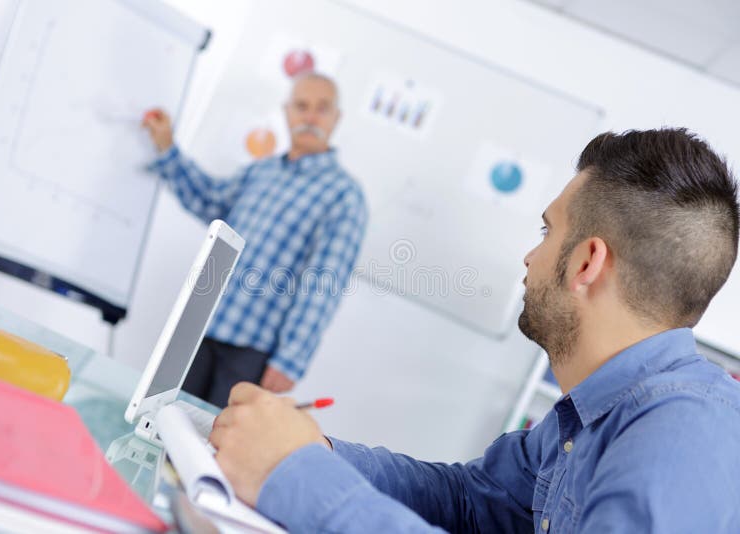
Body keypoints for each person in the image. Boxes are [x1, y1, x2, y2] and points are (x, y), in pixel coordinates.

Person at [208, 128, 740, 533]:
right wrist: (316, 450)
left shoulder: (685, 435)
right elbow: (473, 499)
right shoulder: (593, 412)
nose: (530, 257)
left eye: (546, 231)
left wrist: (294, 474)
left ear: (587, 263)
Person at [143, 73, 367, 407]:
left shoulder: (344, 196)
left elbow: (323, 284)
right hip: (201, 327)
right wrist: (167, 146)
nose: (310, 117)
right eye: (301, 106)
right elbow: (209, 200)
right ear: (287, 111)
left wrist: (291, 358)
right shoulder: (261, 171)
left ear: (337, 118)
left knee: (211, 447)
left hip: (252, 354)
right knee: (158, 420)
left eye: (322, 108)